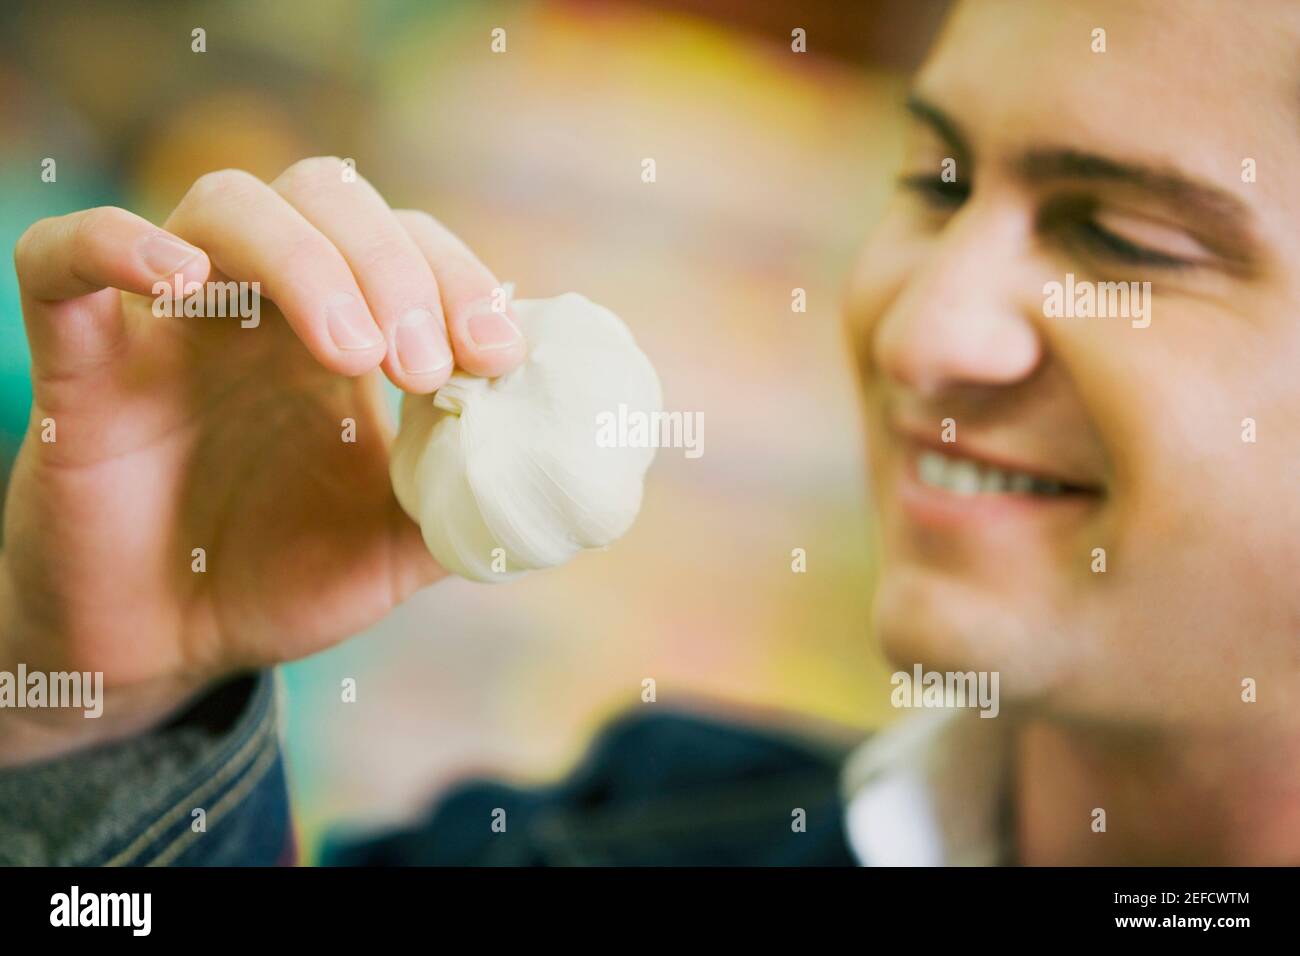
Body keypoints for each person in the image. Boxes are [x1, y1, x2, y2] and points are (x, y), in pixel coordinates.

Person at [2, 0, 1298, 866]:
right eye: (938, 185)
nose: (919, 329)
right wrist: (107, 727)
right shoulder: (600, 837)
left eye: (1125, 243)